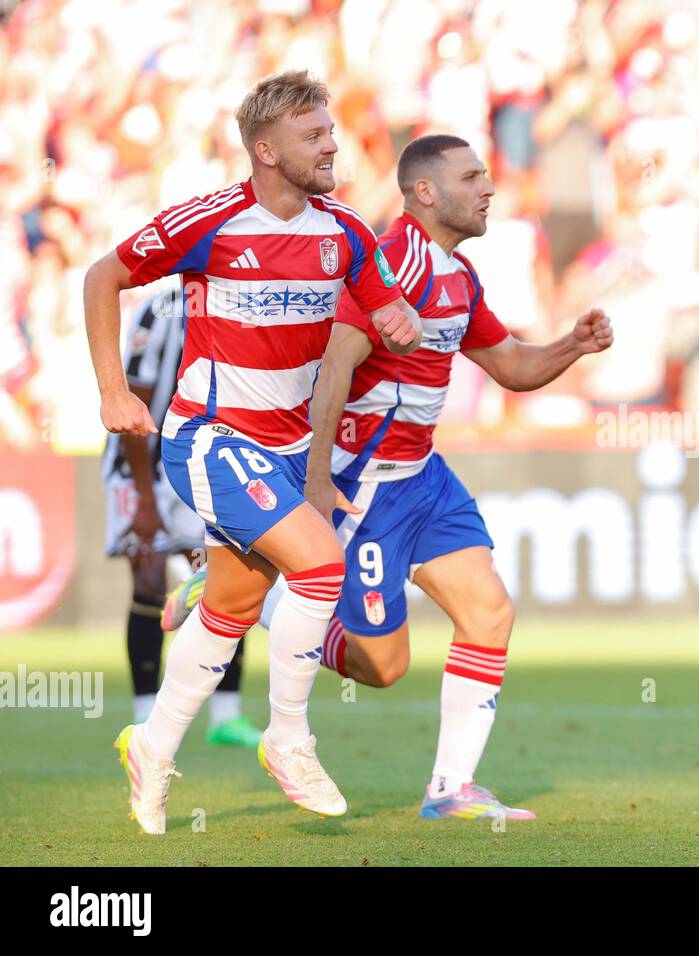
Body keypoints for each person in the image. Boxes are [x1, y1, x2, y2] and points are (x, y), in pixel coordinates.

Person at [168, 135, 613, 821]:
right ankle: (240, 600)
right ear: (425, 192)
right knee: (381, 668)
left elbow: (514, 368)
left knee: (489, 609)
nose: (489, 188)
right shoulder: (387, 264)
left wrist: (572, 346)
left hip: (424, 479)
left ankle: (450, 789)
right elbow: (334, 368)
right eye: (472, 177)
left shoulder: (460, 277)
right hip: (364, 484)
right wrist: (317, 482)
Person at [84, 70, 420, 835]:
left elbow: (386, 305)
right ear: (265, 149)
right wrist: (112, 390)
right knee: (322, 565)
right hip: (209, 436)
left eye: (331, 132)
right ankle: (290, 737)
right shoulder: (212, 221)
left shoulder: (346, 231)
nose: (332, 144)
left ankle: (153, 745)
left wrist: (399, 319)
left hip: (287, 447)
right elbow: (103, 275)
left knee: (233, 610)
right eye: (314, 135)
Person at [103, 286, 259, 748]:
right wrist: (146, 502)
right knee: (150, 580)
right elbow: (134, 404)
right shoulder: (163, 309)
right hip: (139, 465)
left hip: (204, 460)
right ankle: (144, 717)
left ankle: (226, 716)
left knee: (230, 576)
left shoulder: (243, 302)